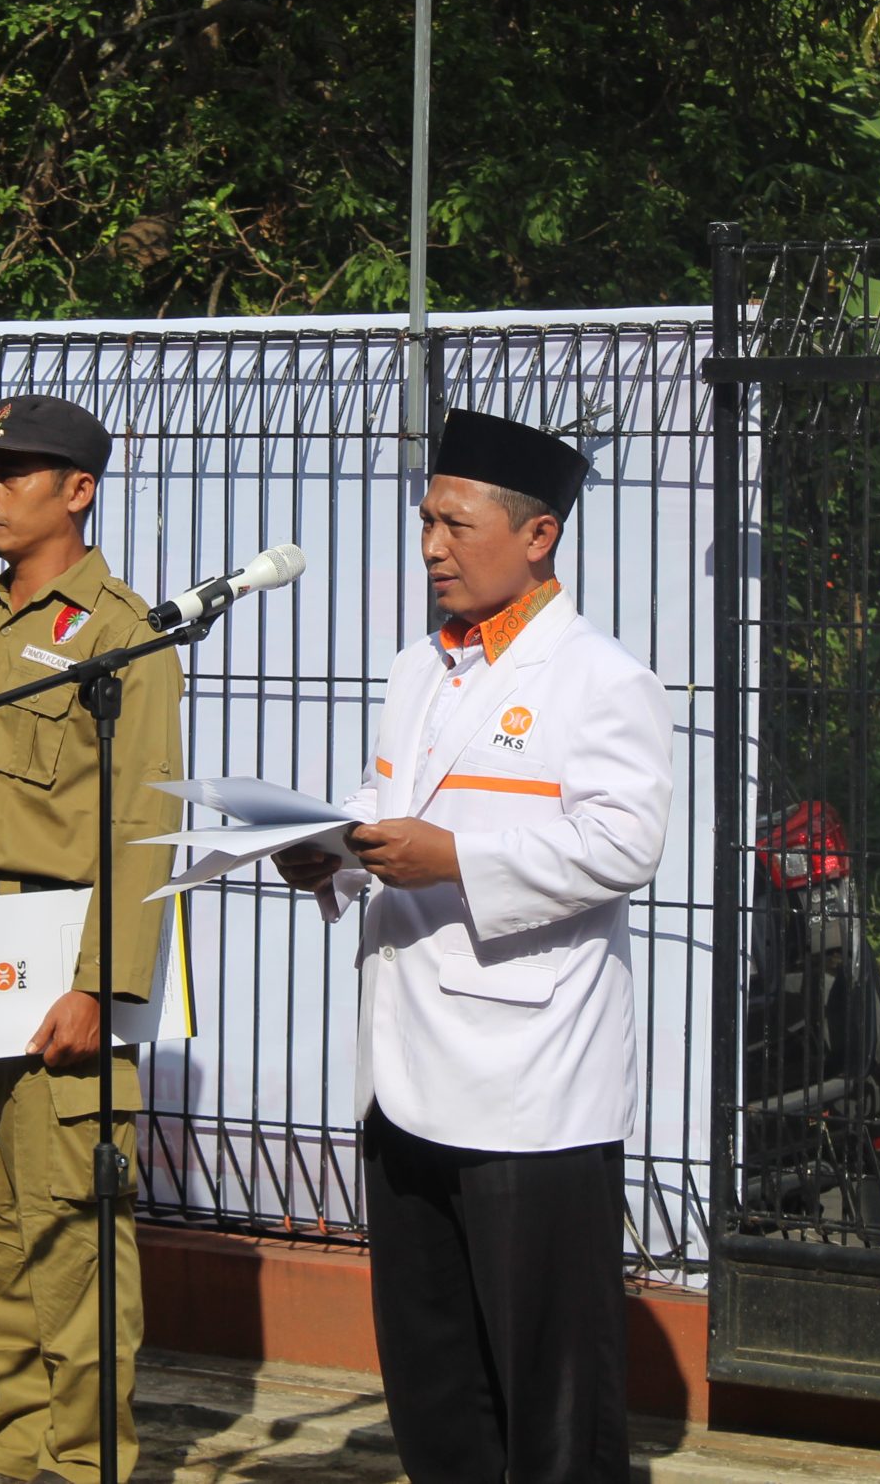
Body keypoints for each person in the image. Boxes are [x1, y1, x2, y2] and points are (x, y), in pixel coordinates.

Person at [277, 408, 673, 1484]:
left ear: (536, 535)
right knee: (432, 1366)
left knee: (548, 1381)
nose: (431, 548)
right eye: (424, 522)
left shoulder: (598, 677)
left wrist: (458, 857)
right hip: (403, 1064)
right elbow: (385, 806)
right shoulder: (420, 668)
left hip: (530, 1082)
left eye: (455, 525)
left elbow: (623, 844)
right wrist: (334, 854)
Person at [0, 393, 184, 1484]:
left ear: (80, 489)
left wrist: (104, 984)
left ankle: (84, 1462)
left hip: (58, 951)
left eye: (14, 471)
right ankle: (11, 1450)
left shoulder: (121, 631)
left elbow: (147, 819)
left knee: (70, 1223)